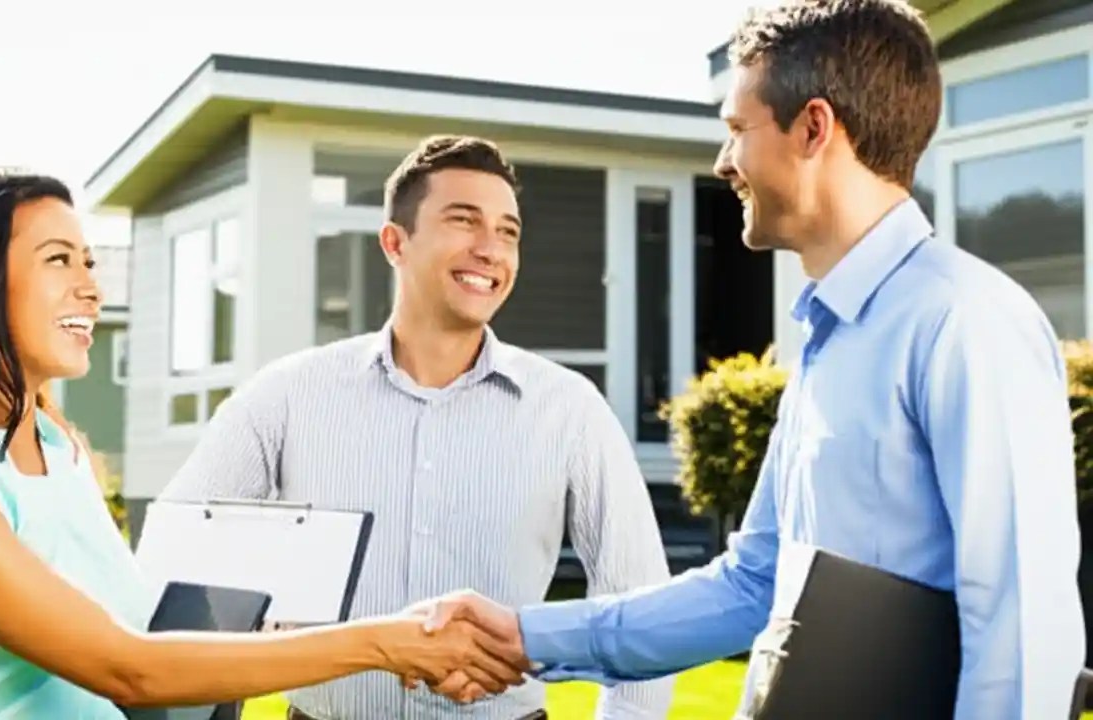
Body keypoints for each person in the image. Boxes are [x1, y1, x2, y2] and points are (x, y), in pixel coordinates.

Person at [415, 2, 1086, 719]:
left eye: (737, 129)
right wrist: (522, 632)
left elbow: (1022, 631)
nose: (723, 162)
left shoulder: (964, 320)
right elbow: (754, 584)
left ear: (814, 128)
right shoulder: (834, 336)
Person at [0, 169, 527, 719]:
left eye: (88, 261)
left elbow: (139, 636)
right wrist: (387, 643)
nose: (90, 285)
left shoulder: (60, 448)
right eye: (58, 260)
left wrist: (260, 639)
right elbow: (130, 668)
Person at [158, 135, 674, 718]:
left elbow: (639, 611)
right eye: (464, 221)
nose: (490, 249)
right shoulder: (286, 395)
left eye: (508, 232)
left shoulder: (571, 410)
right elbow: (174, 566)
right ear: (394, 243)